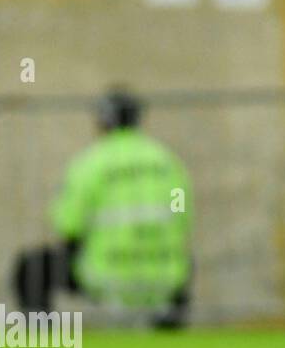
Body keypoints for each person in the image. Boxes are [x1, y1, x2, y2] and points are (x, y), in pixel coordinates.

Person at [13, 90, 194, 329]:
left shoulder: (91, 162)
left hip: (106, 275)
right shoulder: (167, 161)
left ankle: (42, 338)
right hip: (165, 278)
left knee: (31, 267)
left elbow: (68, 225)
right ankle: (169, 333)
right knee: (185, 259)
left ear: (102, 121)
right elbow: (184, 221)